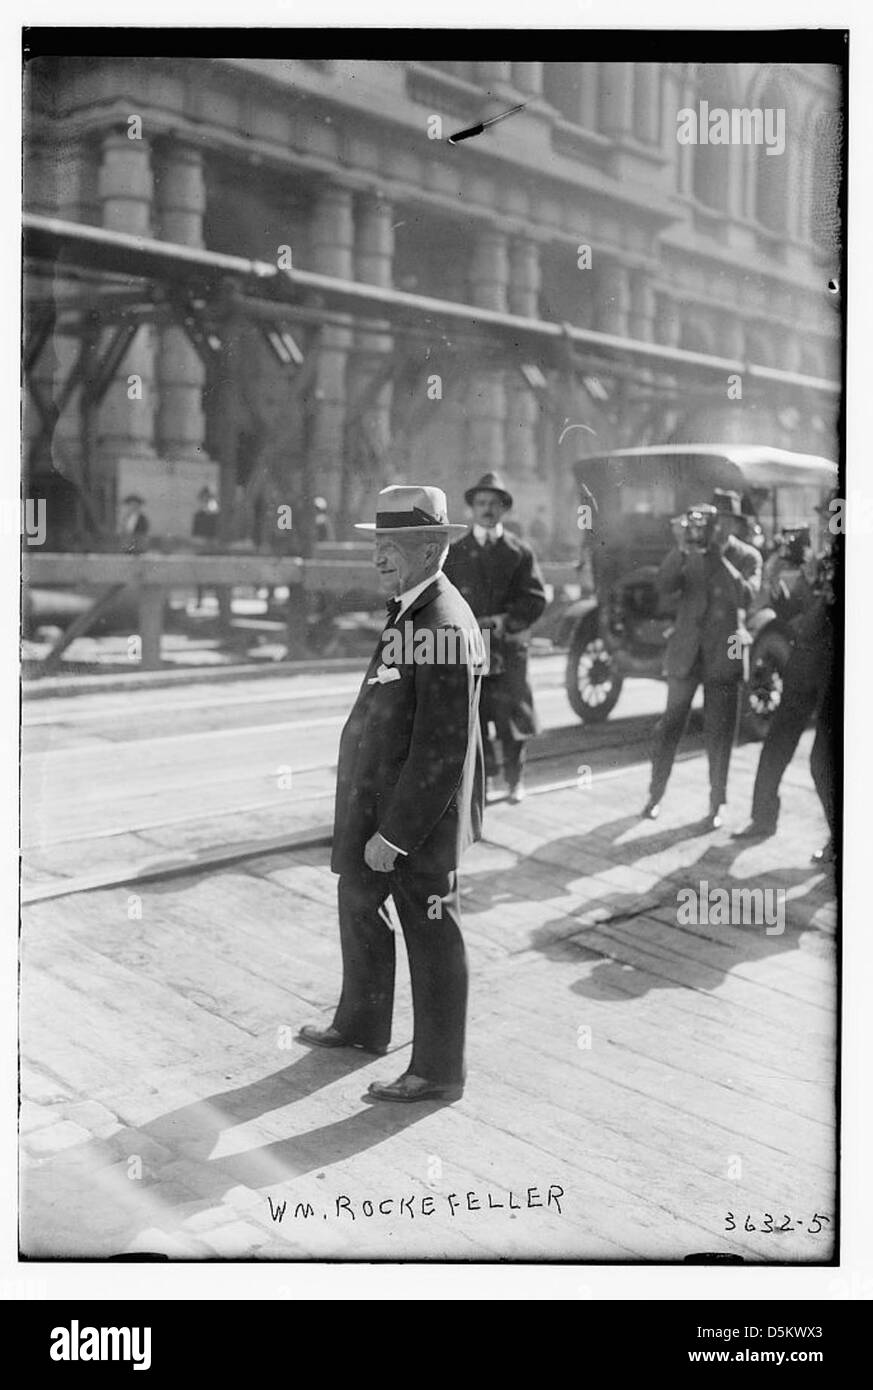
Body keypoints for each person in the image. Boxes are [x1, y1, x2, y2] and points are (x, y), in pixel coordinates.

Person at [298, 485, 485, 1103]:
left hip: (415, 816)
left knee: (431, 929)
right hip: (379, 800)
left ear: (433, 546)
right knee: (358, 897)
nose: (380, 555)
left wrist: (396, 835)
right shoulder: (412, 605)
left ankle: (436, 1070)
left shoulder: (442, 622)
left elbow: (442, 747)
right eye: (378, 543)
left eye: (395, 545)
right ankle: (360, 1023)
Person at [643, 489, 762, 829]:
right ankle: (654, 795)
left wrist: (715, 556)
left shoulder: (747, 556)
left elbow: (746, 596)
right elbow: (664, 587)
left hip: (727, 650)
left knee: (720, 732)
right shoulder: (691, 550)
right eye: (714, 520)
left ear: (735, 524)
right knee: (669, 726)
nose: (718, 527)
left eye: (724, 521)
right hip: (686, 650)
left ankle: (716, 804)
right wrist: (681, 547)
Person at [732, 521, 836, 862]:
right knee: (776, 744)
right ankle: (762, 818)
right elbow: (797, 612)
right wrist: (779, 587)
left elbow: (815, 619)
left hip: (834, 671)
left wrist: (804, 596)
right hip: (804, 666)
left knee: (823, 762)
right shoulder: (821, 564)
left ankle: (840, 841)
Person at [443, 471, 547, 804]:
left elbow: (535, 598)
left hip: (507, 647)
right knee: (475, 716)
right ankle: (483, 784)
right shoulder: (456, 552)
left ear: (504, 509)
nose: (487, 509)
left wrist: (505, 621)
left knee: (512, 717)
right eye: (481, 503)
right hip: (470, 648)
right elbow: (441, 598)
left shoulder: (519, 552)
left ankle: (516, 781)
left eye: (494, 504)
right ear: (472, 508)